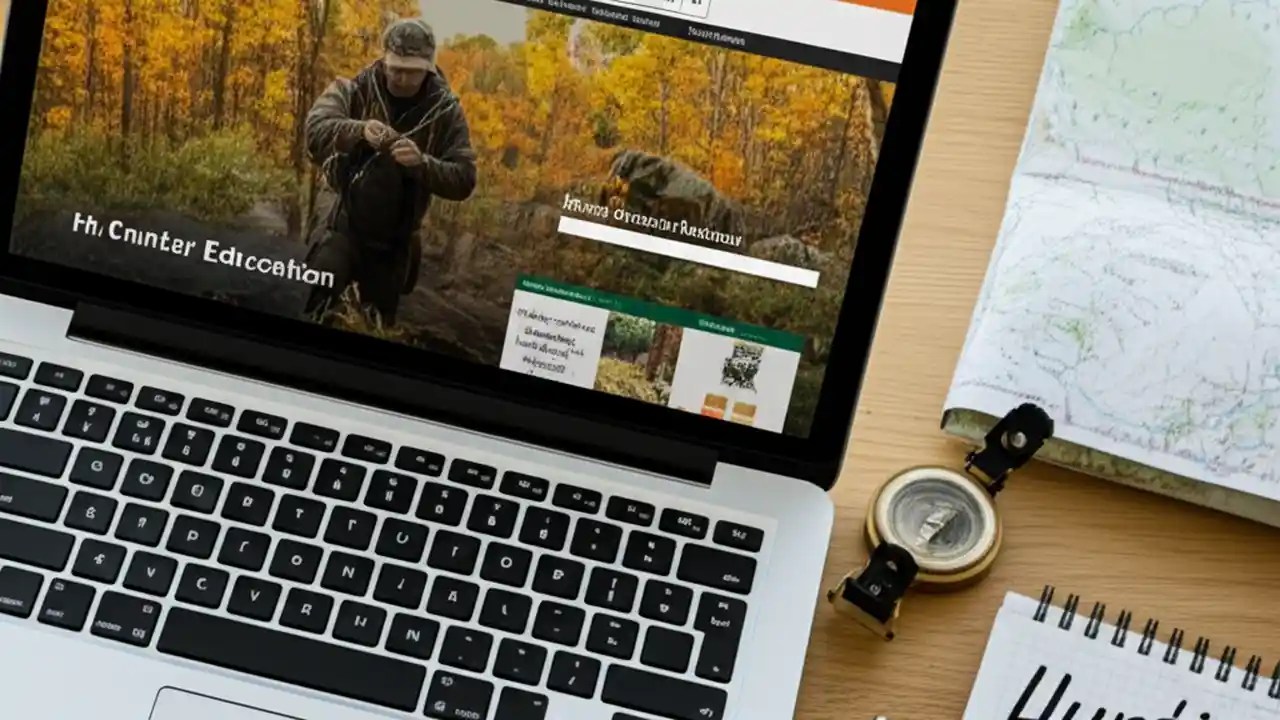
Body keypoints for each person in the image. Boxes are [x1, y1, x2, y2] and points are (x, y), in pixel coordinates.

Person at [303, 18, 477, 326]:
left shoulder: (447, 112)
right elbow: (314, 132)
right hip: (343, 226)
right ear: (384, 60)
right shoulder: (353, 89)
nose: (402, 78)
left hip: (394, 245)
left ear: (429, 67)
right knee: (317, 305)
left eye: (412, 71)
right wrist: (358, 130)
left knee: (376, 326)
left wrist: (422, 163)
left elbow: (464, 178)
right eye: (395, 68)